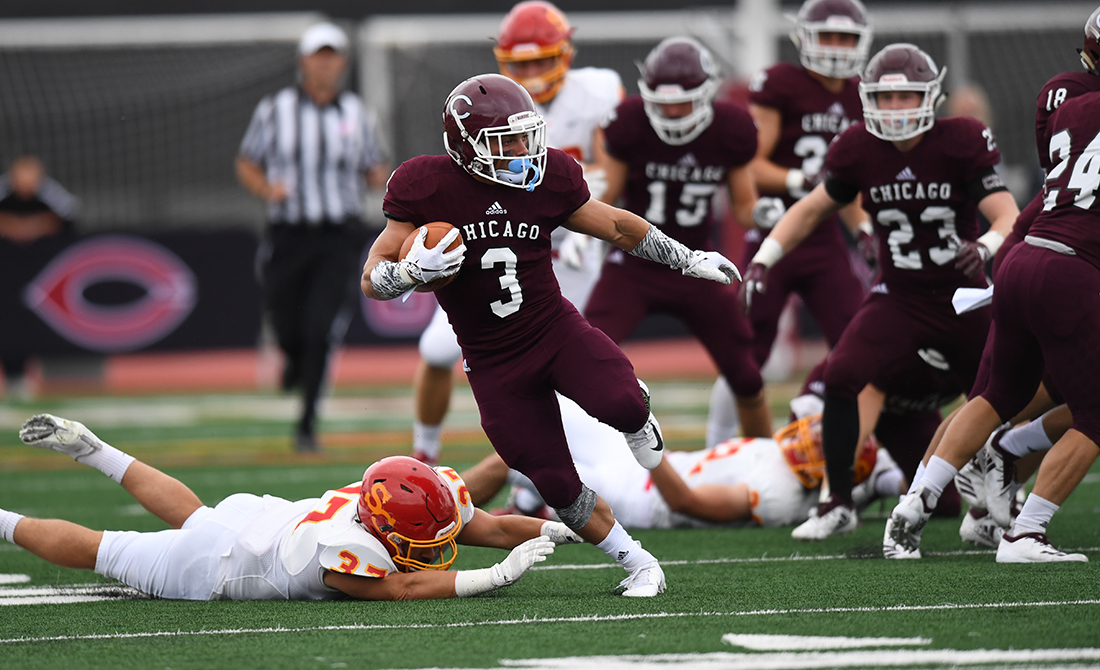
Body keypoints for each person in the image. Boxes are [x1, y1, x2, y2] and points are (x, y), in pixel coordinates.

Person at [361, 72, 743, 597]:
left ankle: (637, 411)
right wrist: (407, 274)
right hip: (493, 363)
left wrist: (688, 259)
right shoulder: (426, 186)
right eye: (506, 142)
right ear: (464, 146)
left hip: (553, 329)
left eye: (525, 136)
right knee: (554, 481)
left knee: (624, 405)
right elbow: (372, 277)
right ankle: (640, 563)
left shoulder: (549, 178)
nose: (523, 151)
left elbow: (613, 225)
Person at [740, 43, 1020, 540]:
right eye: (885, 100)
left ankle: (998, 503)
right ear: (868, 100)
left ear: (931, 97)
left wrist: (987, 243)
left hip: (962, 295)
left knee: (1002, 392)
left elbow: (1006, 212)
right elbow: (810, 209)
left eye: (907, 97)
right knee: (842, 374)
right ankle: (838, 501)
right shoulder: (858, 147)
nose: (895, 110)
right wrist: (764, 257)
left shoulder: (961, 139)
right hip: (900, 295)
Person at [887, 15, 1100, 562]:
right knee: (1095, 410)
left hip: (1024, 260)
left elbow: (1054, 194)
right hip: (1072, 271)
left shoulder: (1072, 107)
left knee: (995, 394)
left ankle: (915, 504)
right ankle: (1025, 533)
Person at [1, 414, 583, 600]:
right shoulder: (347, 553)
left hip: (255, 517)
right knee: (103, 549)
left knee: (195, 514)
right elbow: (401, 590)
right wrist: (495, 575)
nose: (438, 539)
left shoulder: (397, 501)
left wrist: (562, 529)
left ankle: (97, 451)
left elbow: (492, 524)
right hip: (217, 565)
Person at [409, 0, 623, 466]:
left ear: (566, 53)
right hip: (501, 236)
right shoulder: (490, 102)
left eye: (544, 59)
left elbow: (613, 166)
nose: (536, 72)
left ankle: (535, 489)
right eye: (523, 63)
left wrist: (596, 198)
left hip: (570, 243)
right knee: (436, 349)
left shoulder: (598, 93)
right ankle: (424, 451)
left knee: (553, 360)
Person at [585, 36, 773, 438]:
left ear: (706, 94)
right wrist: (580, 234)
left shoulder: (730, 128)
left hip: (696, 266)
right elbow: (607, 197)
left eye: (681, 102)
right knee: (580, 359)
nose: (671, 111)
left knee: (746, 374)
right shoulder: (629, 123)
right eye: (662, 101)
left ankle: (764, 457)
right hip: (633, 265)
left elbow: (742, 204)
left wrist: (759, 213)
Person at [707, 0, 875, 446]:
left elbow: (850, 187)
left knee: (859, 342)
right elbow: (751, 163)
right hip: (773, 238)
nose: (837, 48)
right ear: (803, 38)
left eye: (846, 37)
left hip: (824, 243)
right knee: (746, 353)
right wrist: (801, 179)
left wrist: (864, 230)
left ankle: (820, 426)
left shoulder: (859, 94)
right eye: (829, 36)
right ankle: (716, 445)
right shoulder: (781, 84)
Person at [236, 22, 390, 453]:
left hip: (338, 235)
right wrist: (267, 189)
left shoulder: (358, 113)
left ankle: (306, 422)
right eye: (318, 55)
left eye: (333, 55)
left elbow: (374, 164)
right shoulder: (275, 110)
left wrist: (379, 178)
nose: (326, 63)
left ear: (342, 62)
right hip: (289, 234)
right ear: (304, 61)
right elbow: (247, 162)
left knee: (321, 327)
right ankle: (291, 357)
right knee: (285, 320)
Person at [461, 395, 901, 530]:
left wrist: (643, 446)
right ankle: (525, 503)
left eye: (825, 443)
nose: (813, 436)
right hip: (646, 465)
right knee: (541, 404)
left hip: (639, 493)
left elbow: (687, 501)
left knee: (513, 457)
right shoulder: (781, 457)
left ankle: (427, 520)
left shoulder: (782, 496)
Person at [0, 155, 79, 398]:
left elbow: (71, 216)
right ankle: (14, 376)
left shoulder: (49, 193)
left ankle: (36, 374)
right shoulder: (4, 191)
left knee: (38, 321)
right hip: (5, 271)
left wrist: (30, 228)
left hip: (42, 273)